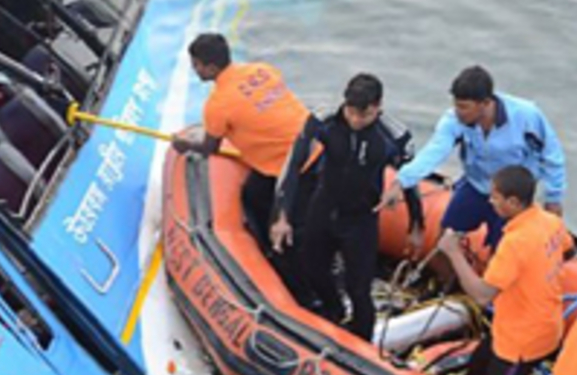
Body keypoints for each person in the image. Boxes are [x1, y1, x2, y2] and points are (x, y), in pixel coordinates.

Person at [273, 73, 423, 339]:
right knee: (312, 269)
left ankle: (363, 342)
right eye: (351, 112)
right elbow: (293, 166)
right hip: (323, 205)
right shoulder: (324, 121)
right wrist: (281, 215)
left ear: (378, 107)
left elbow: (410, 181)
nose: (355, 121)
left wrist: (416, 224)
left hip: (361, 217)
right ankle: (334, 311)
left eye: (363, 115)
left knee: (359, 289)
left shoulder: (394, 136)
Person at [387, 66, 566, 266]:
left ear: (486, 103)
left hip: (511, 195)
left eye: (464, 107)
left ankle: (489, 291)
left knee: (504, 254)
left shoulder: (527, 116)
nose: (458, 112)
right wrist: (401, 181)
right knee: (444, 238)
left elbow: (552, 155)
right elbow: (434, 152)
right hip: (477, 184)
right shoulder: (454, 121)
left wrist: (554, 197)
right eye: (456, 105)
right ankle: (441, 284)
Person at [441, 166, 569, 375]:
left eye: (495, 197)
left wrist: (453, 253)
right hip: (519, 324)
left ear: (513, 201)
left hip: (523, 341)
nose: (490, 201)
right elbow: (567, 250)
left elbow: (481, 296)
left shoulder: (516, 242)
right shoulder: (550, 221)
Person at [172, 33, 312, 257]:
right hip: (312, 142)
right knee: (254, 191)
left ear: (210, 68)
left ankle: (274, 254)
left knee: (266, 206)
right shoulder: (262, 69)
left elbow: (210, 147)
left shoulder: (217, 104)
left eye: (196, 65)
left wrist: (185, 145)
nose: (195, 70)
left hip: (290, 167)